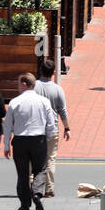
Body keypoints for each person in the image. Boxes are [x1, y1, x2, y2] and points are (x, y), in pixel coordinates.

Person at [2, 73, 56, 210]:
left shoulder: (15, 102)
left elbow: (7, 125)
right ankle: (37, 193)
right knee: (40, 169)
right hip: (38, 139)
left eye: (19, 84)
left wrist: (6, 145)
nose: (18, 87)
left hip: (20, 140)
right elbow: (51, 124)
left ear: (24, 84)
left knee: (22, 174)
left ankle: (24, 205)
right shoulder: (44, 101)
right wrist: (48, 138)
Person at [35, 57, 71, 198]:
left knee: (35, 158)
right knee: (50, 159)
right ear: (53, 72)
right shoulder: (57, 89)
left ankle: (33, 185)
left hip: (36, 128)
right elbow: (62, 111)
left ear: (40, 70)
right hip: (52, 129)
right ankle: (49, 189)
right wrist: (67, 128)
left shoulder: (34, 87)